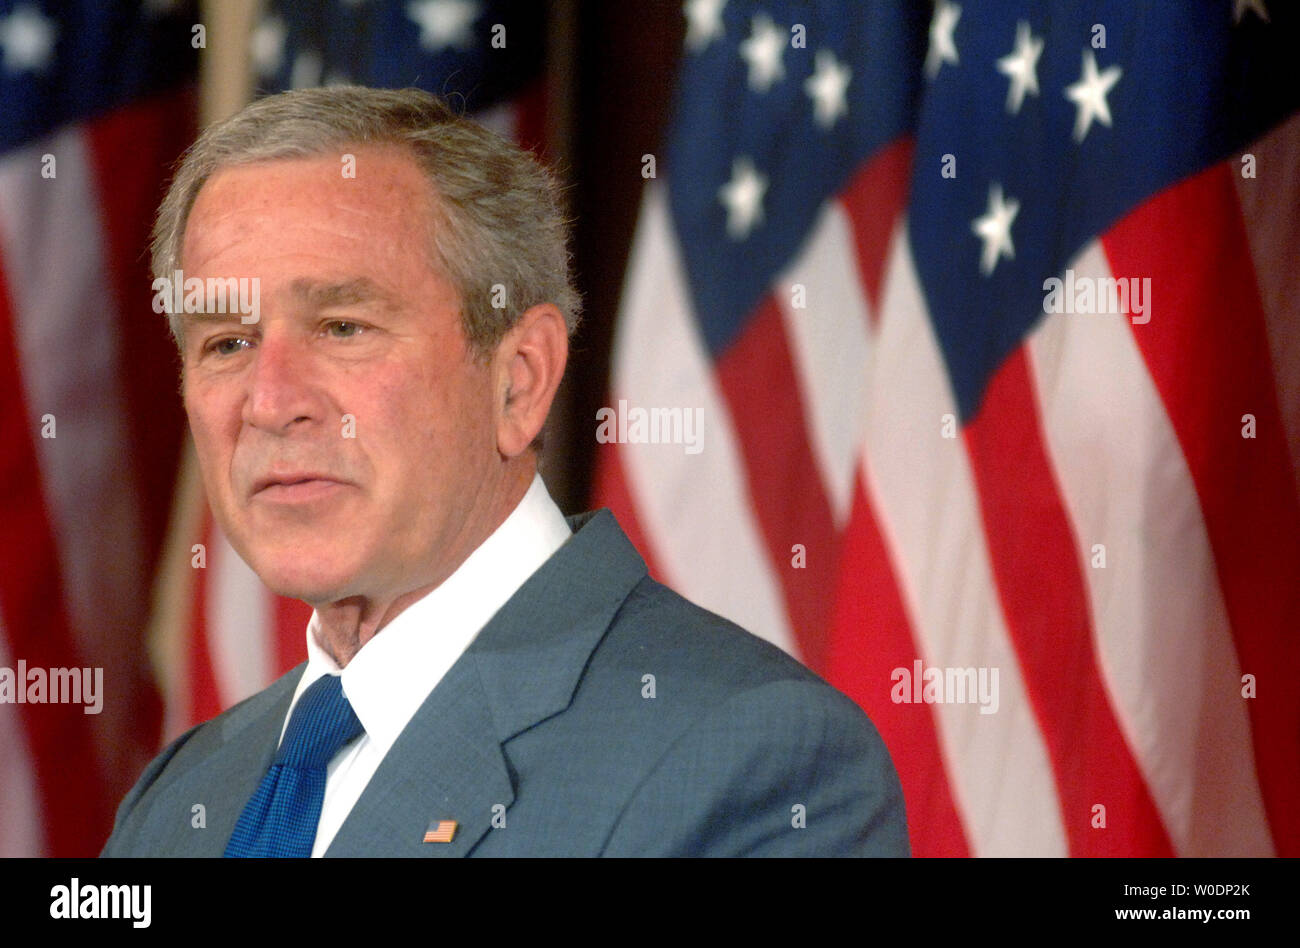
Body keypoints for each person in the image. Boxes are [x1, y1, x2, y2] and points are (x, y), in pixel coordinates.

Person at [101, 86, 908, 857]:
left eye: (344, 326)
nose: (270, 402)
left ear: (518, 379)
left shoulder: (745, 760)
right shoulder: (181, 797)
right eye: (227, 344)